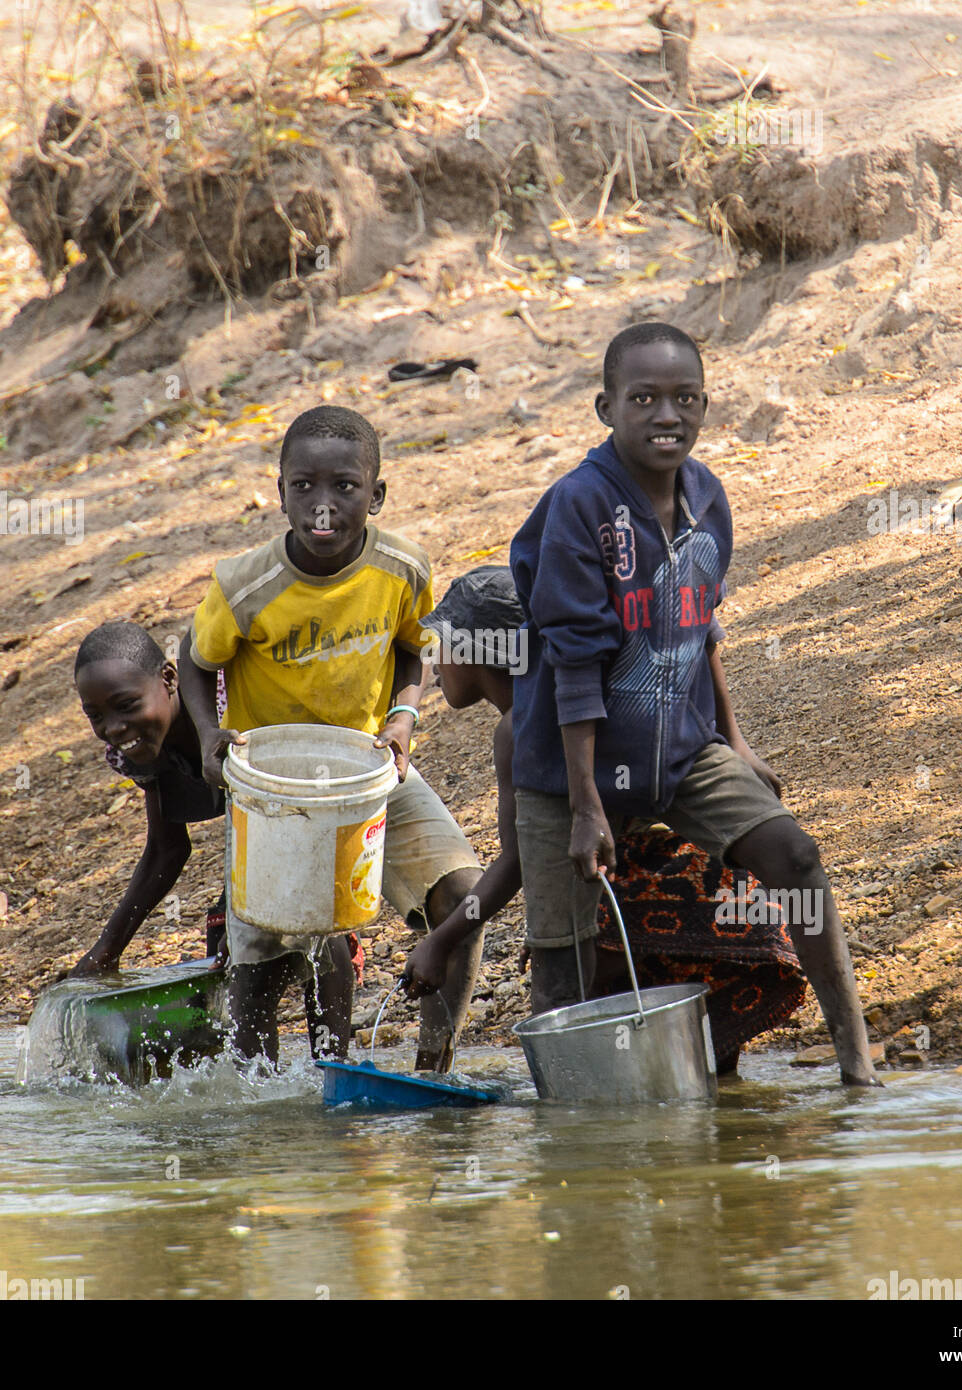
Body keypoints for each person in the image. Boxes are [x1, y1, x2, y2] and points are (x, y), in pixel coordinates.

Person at [508, 322, 878, 1085]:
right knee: (564, 963)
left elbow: (699, 626)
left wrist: (734, 744)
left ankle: (857, 1067)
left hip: (681, 748)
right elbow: (574, 662)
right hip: (569, 771)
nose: (665, 415)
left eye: (684, 398)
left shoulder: (708, 498)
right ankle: (572, 1122)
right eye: (642, 398)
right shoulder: (579, 506)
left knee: (796, 857)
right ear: (605, 407)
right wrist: (584, 805)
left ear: (706, 405)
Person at [401, 567, 805, 1074]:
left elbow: (520, 861)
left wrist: (441, 940)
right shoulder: (592, 691)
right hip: (731, 903)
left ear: (481, 650)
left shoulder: (517, 729)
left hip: (640, 909)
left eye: (442, 644)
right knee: (701, 1073)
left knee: (580, 1009)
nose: (432, 663)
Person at [179, 404, 483, 1070]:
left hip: (369, 768)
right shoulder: (245, 584)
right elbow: (196, 661)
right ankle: (258, 1096)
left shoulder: (402, 567)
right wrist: (209, 737)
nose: (323, 506)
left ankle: (433, 1071)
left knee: (464, 896)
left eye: (344, 487)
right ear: (280, 489)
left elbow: (413, 646)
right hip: (274, 786)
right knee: (264, 954)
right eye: (303, 486)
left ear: (376, 495)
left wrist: (404, 715)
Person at [70, 621, 226, 977]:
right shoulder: (135, 751)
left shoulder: (228, 713)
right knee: (224, 940)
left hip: (315, 815)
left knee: (248, 934)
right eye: (96, 716)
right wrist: (107, 950)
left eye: (126, 705)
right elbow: (167, 849)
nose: (114, 728)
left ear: (169, 680)